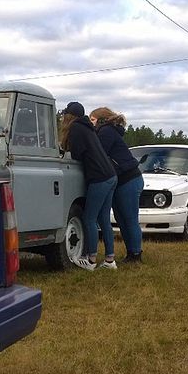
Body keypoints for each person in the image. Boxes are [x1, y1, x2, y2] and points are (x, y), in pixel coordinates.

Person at [59, 101, 117, 270]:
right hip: (110, 175)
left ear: (69, 116)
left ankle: (90, 260)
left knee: (89, 218)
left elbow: (77, 154)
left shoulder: (76, 128)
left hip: (99, 178)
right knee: (104, 219)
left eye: (64, 115)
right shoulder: (88, 128)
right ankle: (109, 260)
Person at [91, 107, 144, 263]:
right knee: (122, 219)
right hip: (121, 180)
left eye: (92, 120)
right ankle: (131, 252)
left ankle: (136, 254)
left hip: (129, 179)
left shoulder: (105, 132)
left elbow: (99, 153)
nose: (91, 123)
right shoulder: (107, 131)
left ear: (101, 120)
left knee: (130, 218)